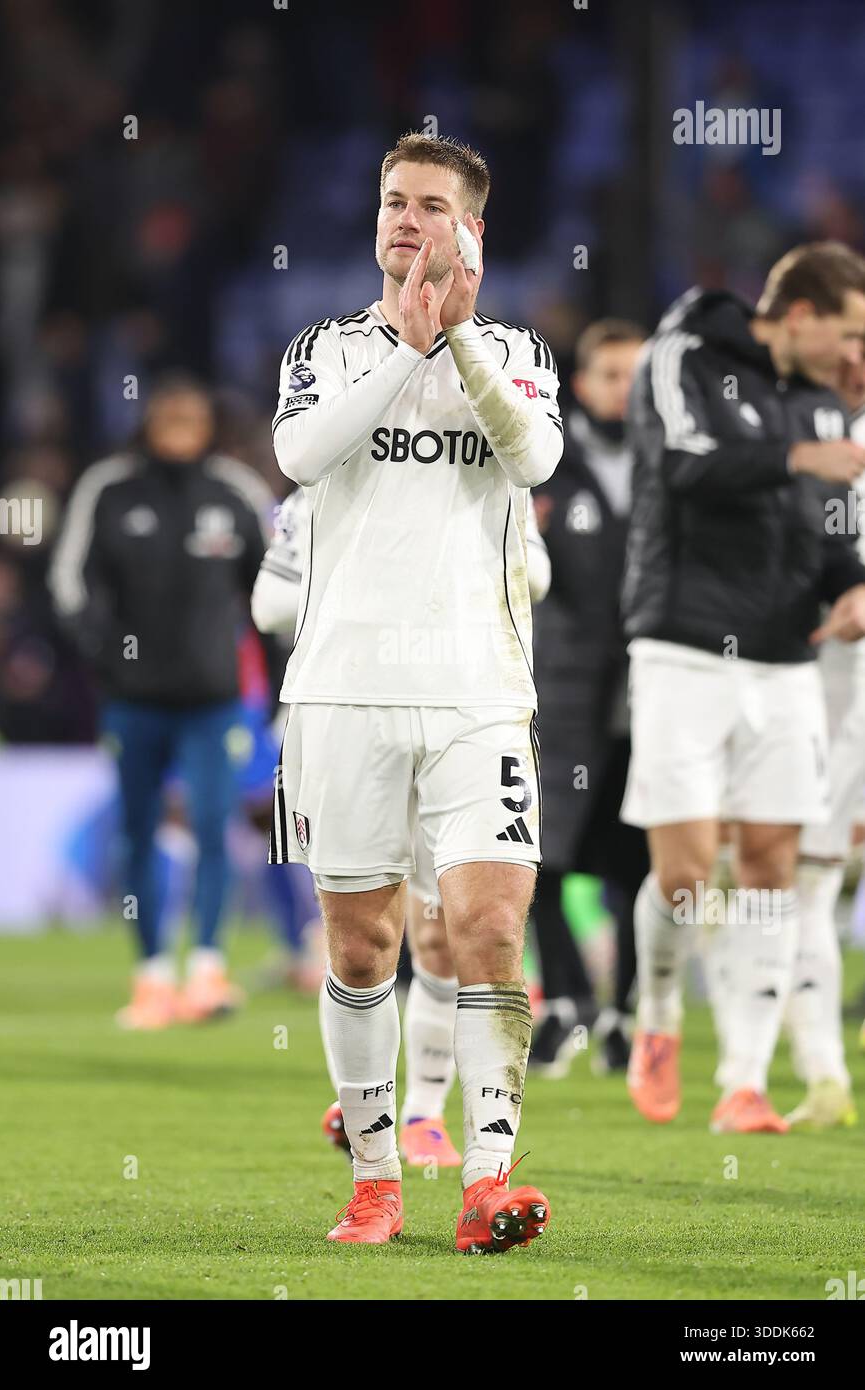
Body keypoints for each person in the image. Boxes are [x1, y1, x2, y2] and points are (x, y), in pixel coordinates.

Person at [269, 132, 563, 1251]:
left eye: (430, 205)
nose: (405, 219)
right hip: (341, 689)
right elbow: (301, 458)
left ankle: (487, 1178)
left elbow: (531, 460)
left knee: (488, 926)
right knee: (358, 948)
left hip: (476, 687)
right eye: (394, 200)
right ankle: (378, 1179)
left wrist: (457, 349)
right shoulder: (326, 350)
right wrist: (405, 345)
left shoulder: (520, 352)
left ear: (470, 229)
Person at [620, 242, 865, 1133]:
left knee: (770, 865)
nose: (853, 356)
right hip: (684, 645)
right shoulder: (683, 352)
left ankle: (744, 1081)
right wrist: (797, 457)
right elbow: (687, 464)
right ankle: (655, 1017)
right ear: (797, 315)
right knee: (687, 877)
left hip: (786, 656)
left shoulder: (825, 406)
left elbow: (836, 527)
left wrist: (853, 587)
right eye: (847, 333)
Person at [252, 484, 551, 1167]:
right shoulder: (316, 487)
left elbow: (535, 571)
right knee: (364, 944)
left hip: (465, 705)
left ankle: (426, 1115)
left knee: (459, 931)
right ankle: (377, 1134)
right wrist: (365, 577)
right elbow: (268, 602)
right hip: (350, 708)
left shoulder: (493, 464)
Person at [48, 375, 272, 1028]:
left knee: (211, 826)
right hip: (134, 702)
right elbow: (71, 585)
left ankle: (206, 969)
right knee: (138, 831)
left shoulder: (234, 493)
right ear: (149, 422)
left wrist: (281, 685)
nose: (179, 428)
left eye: (190, 417)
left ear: (207, 424)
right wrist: (109, 661)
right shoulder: (110, 490)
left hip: (213, 700)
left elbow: (277, 593)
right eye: (167, 417)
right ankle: (151, 977)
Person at [709, 355, 865, 1130]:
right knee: (795, 887)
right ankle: (819, 1073)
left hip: (840, 701)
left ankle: (774, 1071)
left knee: (794, 886)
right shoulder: (798, 438)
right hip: (793, 688)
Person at [529, 318, 649, 1077]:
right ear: (582, 383)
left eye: (637, 376)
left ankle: (627, 1015)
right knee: (538, 861)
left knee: (638, 868)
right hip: (559, 690)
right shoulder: (538, 461)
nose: (624, 390)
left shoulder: (678, 466)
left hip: (649, 691)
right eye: (611, 374)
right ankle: (567, 997)